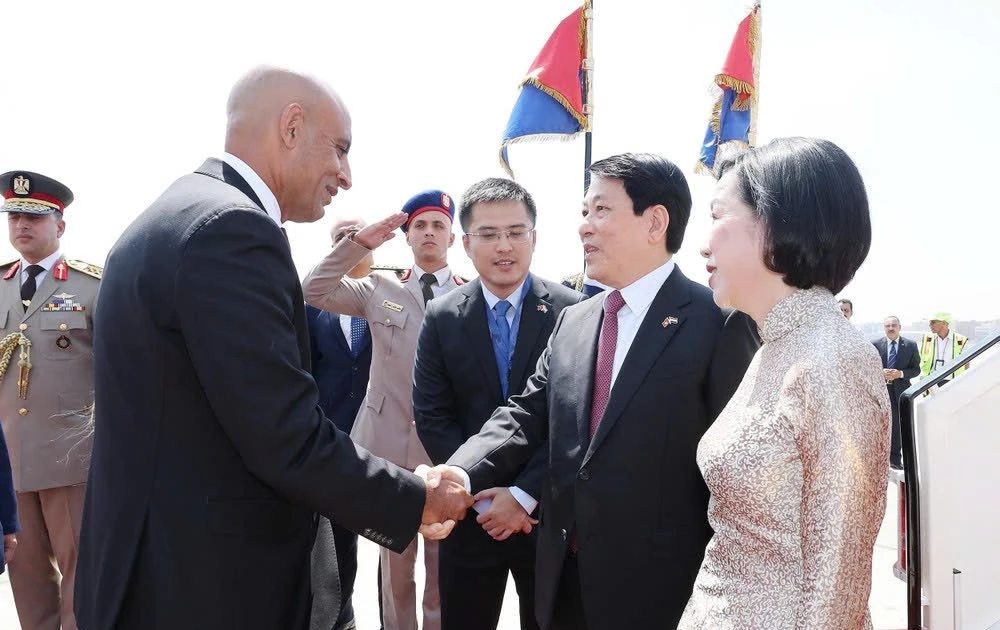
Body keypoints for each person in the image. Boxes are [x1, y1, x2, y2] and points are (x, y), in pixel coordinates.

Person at [74, 67, 471, 630]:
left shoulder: (177, 212)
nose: (347, 175)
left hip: (157, 570)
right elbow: (282, 435)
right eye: (339, 149)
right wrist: (414, 498)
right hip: (205, 587)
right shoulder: (232, 230)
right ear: (291, 127)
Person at [430, 153, 758, 630]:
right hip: (563, 581)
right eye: (585, 212)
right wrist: (459, 472)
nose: (585, 226)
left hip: (659, 593)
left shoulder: (717, 322)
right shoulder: (574, 321)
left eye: (601, 210)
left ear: (655, 222)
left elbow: (737, 478)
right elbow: (526, 415)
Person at [678, 137, 891, 629]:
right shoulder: (776, 346)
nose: (703, 244)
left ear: (776, 222)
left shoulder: (832, 361)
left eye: (717, 216)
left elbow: (838, 589)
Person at [412, 178, 581, 630]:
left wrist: (523, 496)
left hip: (545, 515)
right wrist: (478, 498)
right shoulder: (442, 315)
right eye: (488, 234)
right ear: (465, 243)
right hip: (470, 517)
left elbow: (574, 418)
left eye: (515, 232)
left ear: (534, 238)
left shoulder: (575, 311)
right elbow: (432, 415)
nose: (503, 246)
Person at [302, 190, 466, 630]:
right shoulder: (379, 289)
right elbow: (314, 289)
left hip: (444, 450)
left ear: (453, 237)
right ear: (406, 237)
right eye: (419, 226)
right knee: (395, 569)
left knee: (441, 566)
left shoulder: (472, 294)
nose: (429, 233)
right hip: (388, 444)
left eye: (438, 226)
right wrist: (360, 245)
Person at [0, 170, 101, 630]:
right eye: (15, 216)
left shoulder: (92, 286)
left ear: (60, 225)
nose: (22, 225)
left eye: (35, 217)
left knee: (82, 582)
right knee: (26, 579)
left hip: (71, 462)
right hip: (11, 464)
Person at [307, 215, 376, 630]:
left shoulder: (392, 295)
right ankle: (341, 618)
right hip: (331, 437)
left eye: (357, 239)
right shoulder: (312, 302)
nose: (350, 245)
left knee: (396, 548)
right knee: (336, 538)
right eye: (340, 239)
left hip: (381, 438)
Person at [874, 316, 922, 470]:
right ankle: (878, 461)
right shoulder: (874, 345)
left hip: (900, 392)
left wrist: (900, 373)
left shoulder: (910, 345)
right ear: (884, 328)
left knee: (897, 428)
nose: (891, 328)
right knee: (879, 425)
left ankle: (895, 460)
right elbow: (868, 367)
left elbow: (916, 370)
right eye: (887, 325)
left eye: (894, 325)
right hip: (880, 391)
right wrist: (880, 372)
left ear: (899, 327)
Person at [919, 311, 970, 381]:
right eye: (929, 322)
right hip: (930, 383)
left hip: (952, 383)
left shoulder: (961, 340)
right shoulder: (927, 339)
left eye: (933, 322)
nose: (930, 325)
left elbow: (966, 364)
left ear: (944, 323)